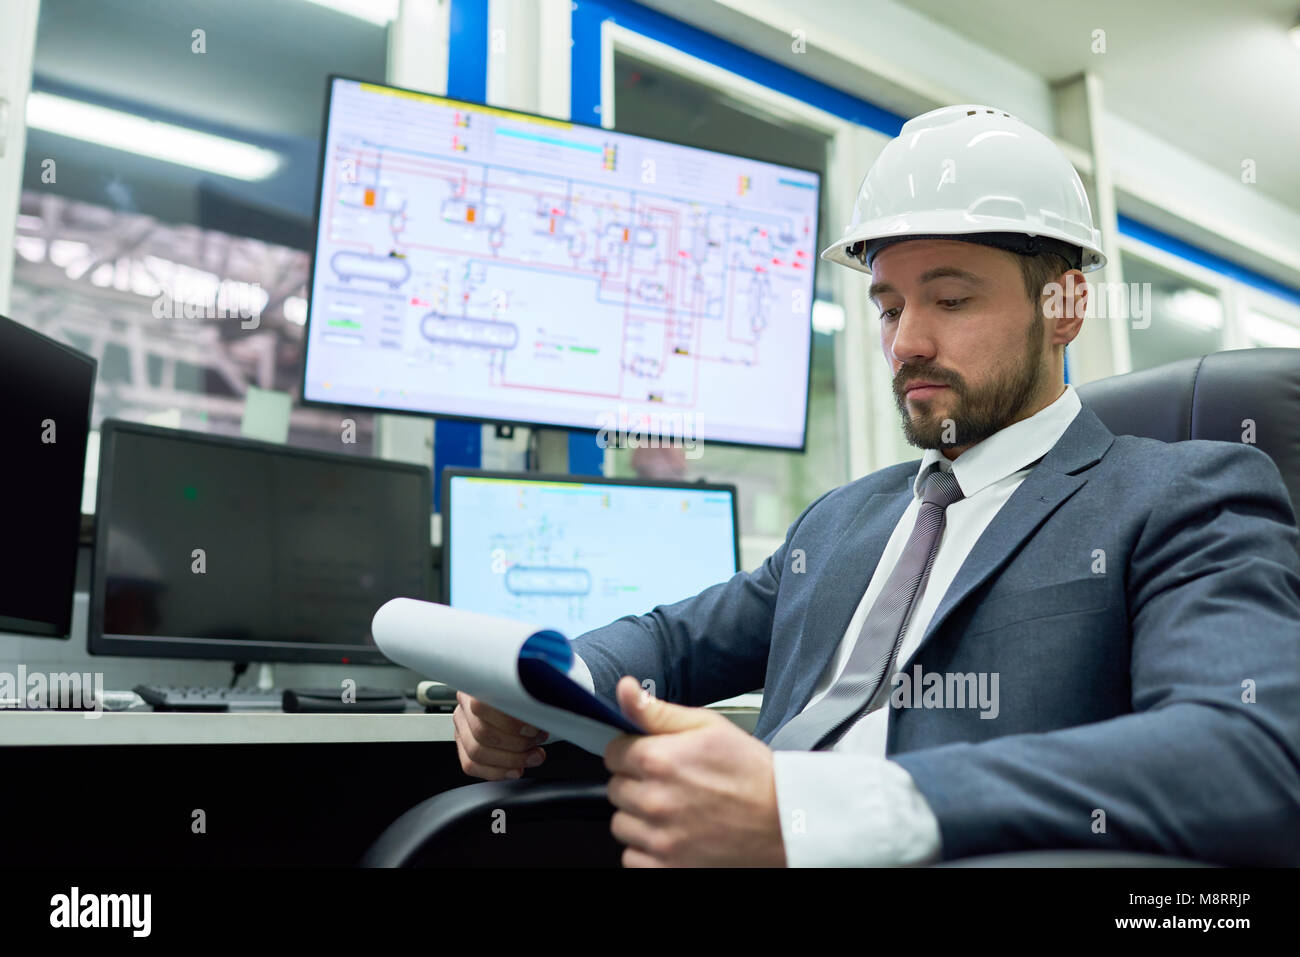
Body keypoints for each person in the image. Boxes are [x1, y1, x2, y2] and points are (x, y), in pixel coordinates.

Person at [453, 104, 1300, 867]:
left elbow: (1250, 753)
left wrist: (813, 813)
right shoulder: (843, 520)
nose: (905, 344)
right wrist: (546, 684)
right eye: (890, 306)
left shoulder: (1182, 493)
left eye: (952, 299)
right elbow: (670, 643)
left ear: (1065, 306)